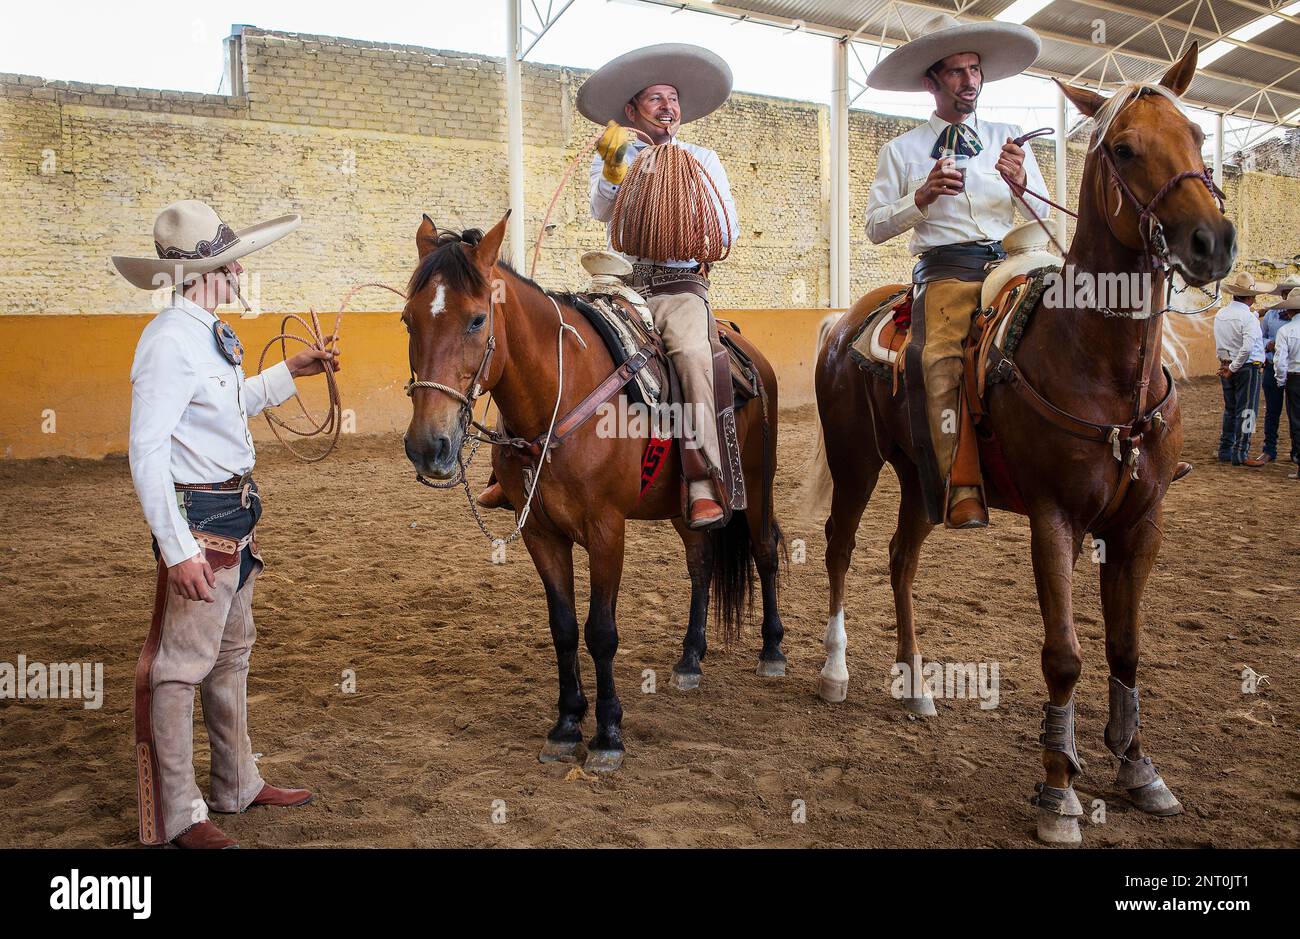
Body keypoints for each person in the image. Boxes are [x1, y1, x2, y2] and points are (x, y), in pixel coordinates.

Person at [112, 199, 339, 849]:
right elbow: (147, 450)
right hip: (203, 524)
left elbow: (224, 406)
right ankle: (179, 816)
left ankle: (237, 782)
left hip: (236, 515)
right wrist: (177, 546)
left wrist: (288, 373)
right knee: (178, 667)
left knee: (231, 654)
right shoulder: (167, 342)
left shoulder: (202, 333)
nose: (241, 273)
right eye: (232, 263)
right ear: (209, 270)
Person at [863, 13, 1048, 528]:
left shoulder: (1009, 137)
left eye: (975, 70)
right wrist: (919, 198)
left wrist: (1021, 185)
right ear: (931, 82)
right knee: (938, 357)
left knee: (1085, 309)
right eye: (957, 72)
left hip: (1017, 260)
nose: (970, 81)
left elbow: (1045, 216)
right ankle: (960, 482)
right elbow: (875, 227)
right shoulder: (899, 150)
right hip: (947, 270)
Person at [1213, 272, 1272, 466]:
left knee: (1230, 409)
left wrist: (1226, 364)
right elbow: (1247, 347)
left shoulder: (1221, 314)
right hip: (1246, 367)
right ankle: (1241, 453)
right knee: (1248, 411)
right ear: (1249, 297)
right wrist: (1234, 367)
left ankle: (1226, 449)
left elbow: (1220, 343)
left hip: (1226, 362)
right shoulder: (1248, 319)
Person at [1245, 275, 1300, 466]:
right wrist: (1270, 344)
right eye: (1286, 293)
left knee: (1295, 414)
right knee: (1272, 411)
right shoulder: (1271, 316)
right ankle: (1269, 449)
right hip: (1272, 366)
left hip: (1291, 368)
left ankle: (1296, 451)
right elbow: (1258, 337)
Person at [1267, 287, 1300, 478]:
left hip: (1295, 378)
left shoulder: (1285, 331)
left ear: (1290, 310)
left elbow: (1280, 361)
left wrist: (1281, 380)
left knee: (1296, 420)